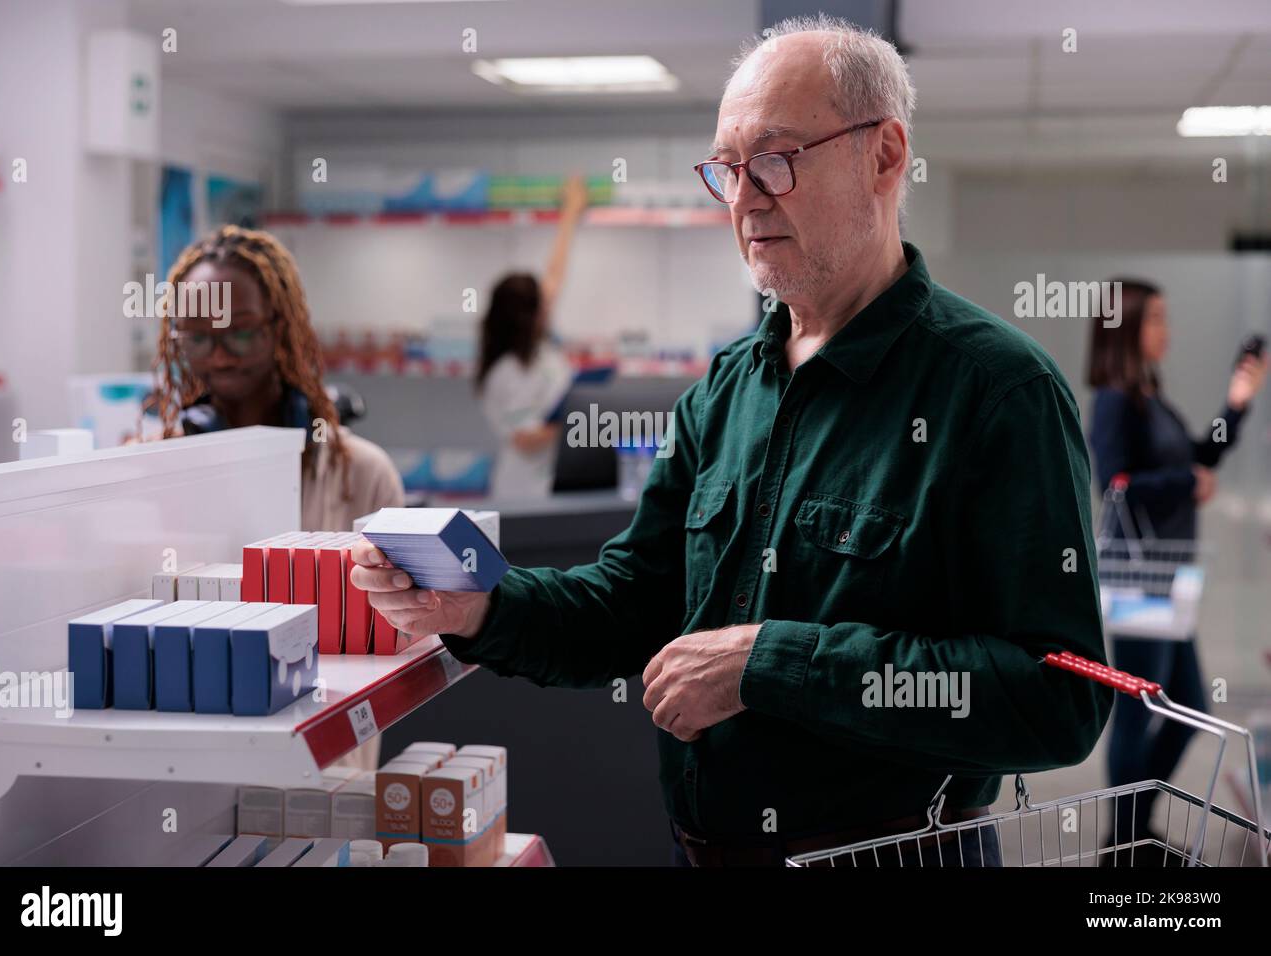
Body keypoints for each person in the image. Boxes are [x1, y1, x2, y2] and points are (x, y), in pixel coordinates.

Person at [352, 15, 1113, 867]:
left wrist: (772, 662)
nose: (746, 197)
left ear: (885, 155)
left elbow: (1061, 697)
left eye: (778, 160)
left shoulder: (998, 393)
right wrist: (483, 606)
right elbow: (632, 603)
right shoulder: (725, 391)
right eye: (727, 169)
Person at [1086, 279, 1266, 860]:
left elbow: (1198, 455)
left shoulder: (1150, 397)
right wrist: (1189, 483)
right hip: (1142, 583)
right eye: (1156, 318)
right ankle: (1126, 840)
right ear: (1127, 326)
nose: (1167, 330)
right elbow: (1114, 484)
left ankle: (1133, 830)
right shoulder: (1116, 398)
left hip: (1167, 585)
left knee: (1190, 709)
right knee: (1143, 712)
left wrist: (1236, 402)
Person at [148, 225, 405, 532]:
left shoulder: (363, 473)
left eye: (240, 333)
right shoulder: (156, 470)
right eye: (197, 339)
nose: (220, 357)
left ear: (279, 330)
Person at [475, 176, 589, 499]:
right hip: (524, 490)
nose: (549, 307)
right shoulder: (507, 372)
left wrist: (571, 211)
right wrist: (579, 420)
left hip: (550, 479)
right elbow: (526, 440)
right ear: (527, 317)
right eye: (542, 306)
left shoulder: (538, 347)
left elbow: (554, 275)